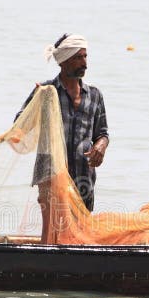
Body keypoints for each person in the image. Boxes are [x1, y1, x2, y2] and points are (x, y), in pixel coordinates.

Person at [16, 33, 109, 212]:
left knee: (82, 231)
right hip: (51, 173)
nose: (85, 63)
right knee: (53, 229)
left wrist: (101, 146)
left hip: (84, 176)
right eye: (78, 58)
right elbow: (19, 126)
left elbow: (102, 133)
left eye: (85, 56)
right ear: (63, 62)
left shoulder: (95, 95)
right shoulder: (45, 92)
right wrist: (35, 107)